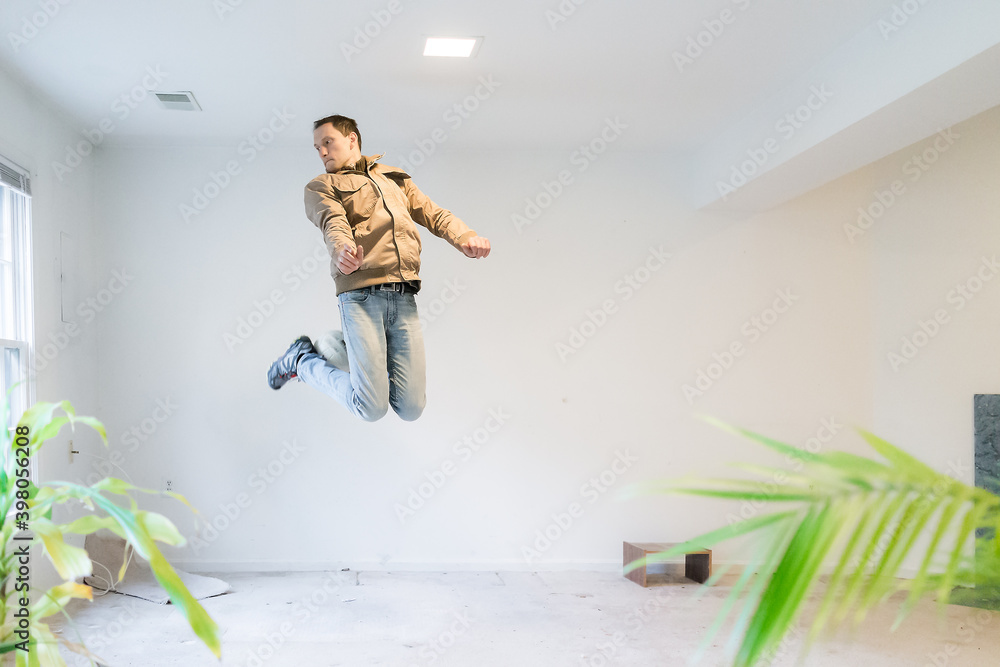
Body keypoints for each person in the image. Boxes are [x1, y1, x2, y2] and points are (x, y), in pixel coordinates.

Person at [266, 114, 491, 421]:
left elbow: (434, 214)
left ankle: (342, 344)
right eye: (317, 147)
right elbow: (333, 223)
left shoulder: (394, 179)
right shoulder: (322, 186)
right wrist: (343, 250)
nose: (322, 152)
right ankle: (302, 361)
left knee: (411, 408)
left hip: (404, 296)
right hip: (360, 297)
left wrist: (466, 237)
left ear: (351, 139)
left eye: (327, 142)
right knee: (370, 407)